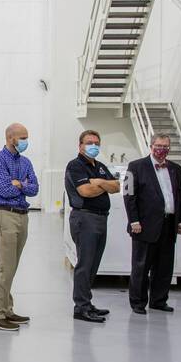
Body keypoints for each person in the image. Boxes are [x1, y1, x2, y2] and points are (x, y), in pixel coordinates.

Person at [123, 133, 181, 313]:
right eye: (158, 146)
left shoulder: (176, 168)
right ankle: (138, 302)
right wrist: (133, 220)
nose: (162, 150)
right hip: (143, 225)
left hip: (169, 224)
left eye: (165, 146)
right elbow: (128, 195)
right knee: (141, 266)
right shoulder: (134, 166)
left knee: (164, 266)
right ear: (151, 146)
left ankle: (159, 300)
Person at [0, 122, 38, 332]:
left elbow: (34, 189)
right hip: (4, 215)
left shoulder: (25, 161)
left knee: (12, 266)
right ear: (10, 138)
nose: (26, 141)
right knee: (5, 266)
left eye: (27, 137)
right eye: (22, 137)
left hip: (22, 216)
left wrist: (20, 184)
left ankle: (7, 309)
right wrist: (17, 184)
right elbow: (5, 189)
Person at [64, 129, 120, 323]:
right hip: (84, 219)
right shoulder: (75, 166)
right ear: (80, 145)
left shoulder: (100, 167)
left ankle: (87, 303)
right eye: (89, 142)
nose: (93, 146)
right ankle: (80, 307)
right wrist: (104, 186)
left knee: (93, 263)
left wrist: (100, 182)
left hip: (101, 218)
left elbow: (116, 186)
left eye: (96, 142)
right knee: (85, 264)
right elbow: (86, 191)